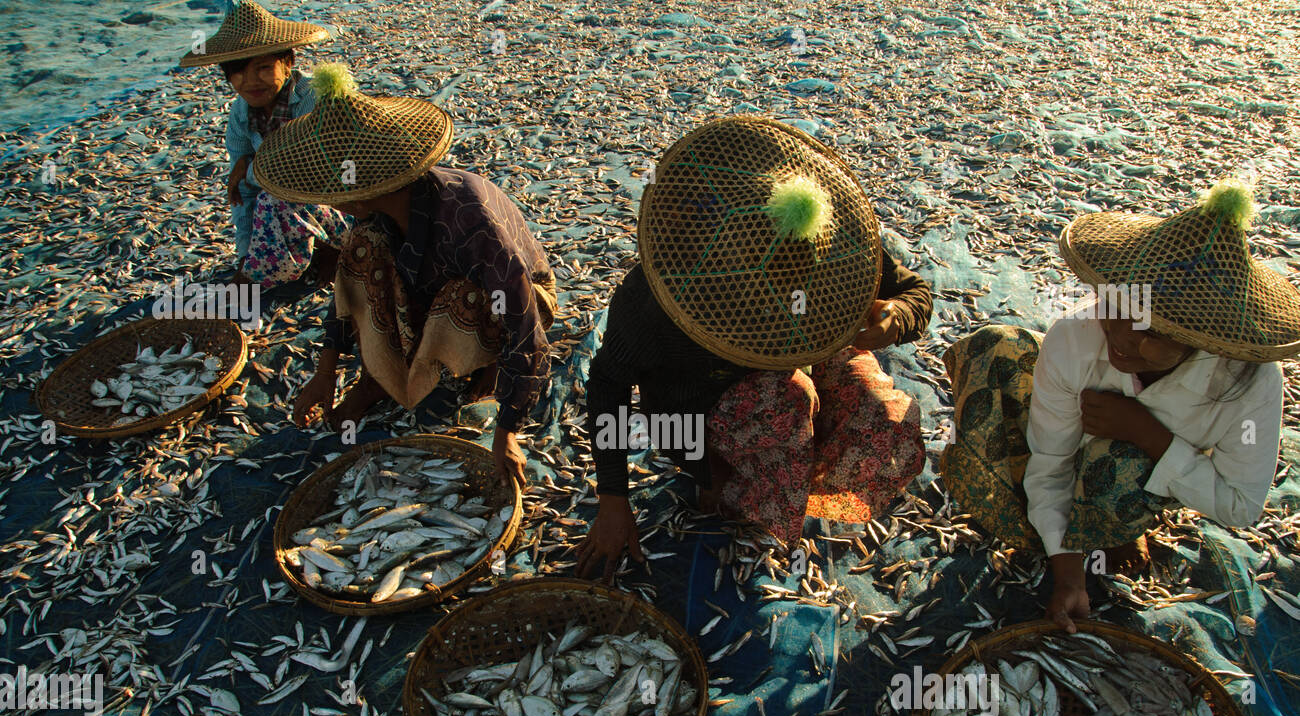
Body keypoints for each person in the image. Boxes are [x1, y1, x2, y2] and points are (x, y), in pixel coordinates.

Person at [576, 116, 932, 581]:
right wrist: (613, 499)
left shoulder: (830, 243)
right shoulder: (666, 288)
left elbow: (914, 292)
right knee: (790, 399)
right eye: (762, 289)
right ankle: (730, 481)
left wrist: (894, 318)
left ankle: (783, 481)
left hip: (801, 355)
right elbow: (607, 384)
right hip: (691, 412)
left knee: (883, 417)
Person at [940, 179, 1299, 632]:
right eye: (1118, 308)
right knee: (993, 350)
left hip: (1132, 476)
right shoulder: (1078, 335)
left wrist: (1149, 435)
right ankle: (1057, 540)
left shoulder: (1248, 382)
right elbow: (1051, 461)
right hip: (1066, 449)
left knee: (1122, 463)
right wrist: (1068, 574)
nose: (1126, 339)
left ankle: (1116, 535)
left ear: (1199, 340)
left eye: (1153, 332)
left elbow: (1241, 504)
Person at [253, 64, 557, 488]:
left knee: (462, 303)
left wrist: (508, 431)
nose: (332, 198)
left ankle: (484, 371)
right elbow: (347, 293)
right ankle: (381, 377)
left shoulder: (470, 219)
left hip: (505, 303)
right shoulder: (375, 216)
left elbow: (527, 329)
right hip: (426, 293)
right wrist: (325, 373)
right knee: (359, 253)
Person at [179, 0, 349, 289]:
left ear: (288, 63)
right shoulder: (240, 113)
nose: (250, 82)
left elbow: (302, 170)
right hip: (299, 203)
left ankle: (336, 248)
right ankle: (277, 262)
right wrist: (245, 256)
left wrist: (247, 166)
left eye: (264, 67)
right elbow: (241, 193)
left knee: (275, 196)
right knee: (262, 197)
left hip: (346, 201)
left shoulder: (313, 97)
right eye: (238, 72)